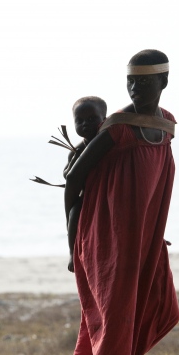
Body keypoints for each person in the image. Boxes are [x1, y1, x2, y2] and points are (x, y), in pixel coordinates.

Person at [54, 50, 179, 355]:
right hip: (106, 239)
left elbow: (157, 181)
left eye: (144, 81)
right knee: (114, 322)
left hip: (143, 238)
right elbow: (74, 179)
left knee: (157, 308)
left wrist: (153, 231)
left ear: (164, 82)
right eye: (131, 82)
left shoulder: (167, 125)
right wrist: (72, 240)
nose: (135, 89)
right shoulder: (118, 127)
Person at [64, 96, 107, 272]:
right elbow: (68, 175)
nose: (85, 124)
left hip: (107, 194)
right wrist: (75, 159)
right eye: (79, 120)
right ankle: (72, 252)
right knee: (75, 211)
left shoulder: (108, 142)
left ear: (104, 119)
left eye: (91, 119)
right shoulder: (77, 149)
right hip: (87, 197)